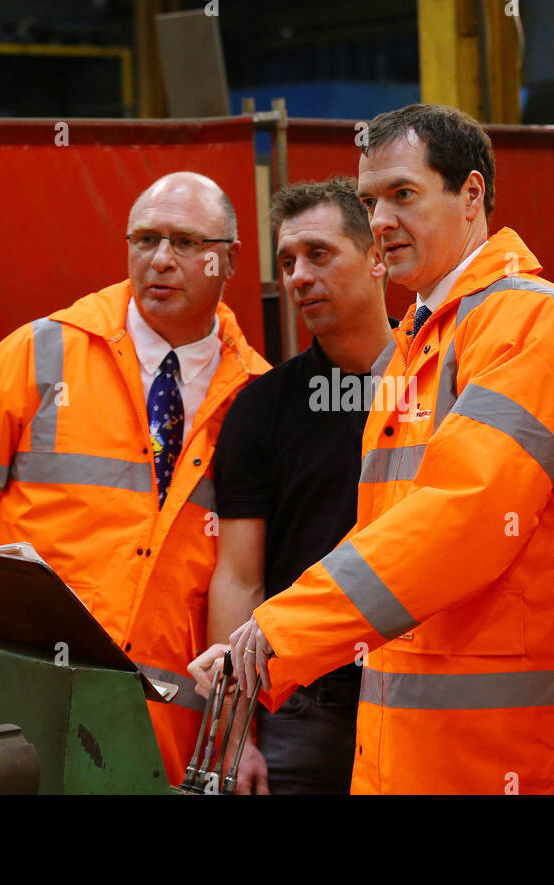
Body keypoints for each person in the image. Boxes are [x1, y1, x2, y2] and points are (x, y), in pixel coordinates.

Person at [228, 103, 554, 794]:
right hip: (416, 739)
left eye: (402, 195)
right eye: (369, 200)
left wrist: (282, 627)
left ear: (472, 195)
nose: (380, 220)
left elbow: (465, 517)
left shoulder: (533, 323)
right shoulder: (421, 342)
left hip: (503, 745)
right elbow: (395, 535)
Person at [0, 172, 270, 787]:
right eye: (145, 239)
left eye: (185, 242)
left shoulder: (259, 397)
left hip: (167, 734)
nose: (160, 260)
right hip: (18, 707)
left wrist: (238, 733)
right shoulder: (37, 356)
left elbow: (256, 583)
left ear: (229, 259)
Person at [188, 177, 394, 794]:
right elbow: (238, 576)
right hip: (304, 704)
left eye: (319, 254)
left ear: (378, 257)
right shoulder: (263, 407)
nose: (298, 276)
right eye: (286, 261)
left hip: (423, 689)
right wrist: (237, 732)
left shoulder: (438, 388)